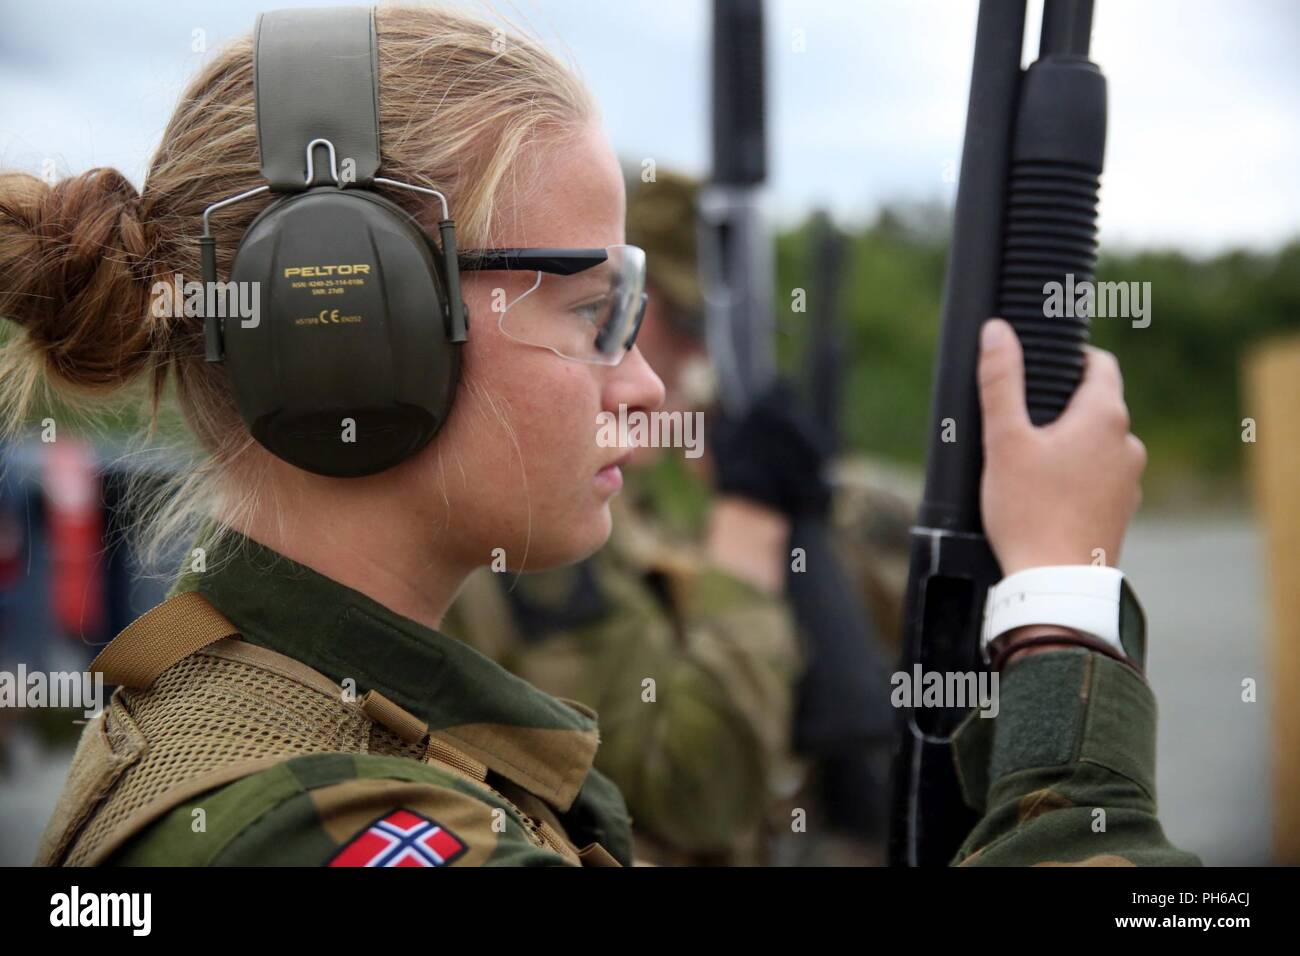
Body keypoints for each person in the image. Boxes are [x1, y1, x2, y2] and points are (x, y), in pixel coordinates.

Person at [2, 4, 1194, 867]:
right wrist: (1058, 607)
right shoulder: (334, 828)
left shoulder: (308, 722)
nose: (636, 381)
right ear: (354, 327)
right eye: (590, 314)